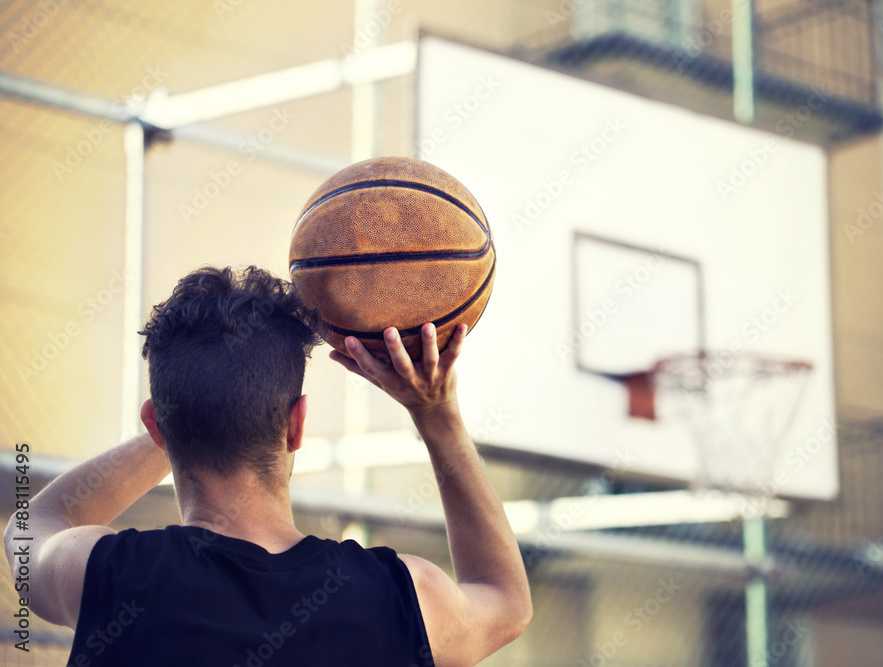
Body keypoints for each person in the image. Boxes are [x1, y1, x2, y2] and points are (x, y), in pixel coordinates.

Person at [3, 266, 532, 667]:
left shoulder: (109, 574)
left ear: (156, 426)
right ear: (296, 425)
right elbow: (505, 602)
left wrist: (184, 416)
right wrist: (437, 415)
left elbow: (33, 526)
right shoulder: (402, 594)